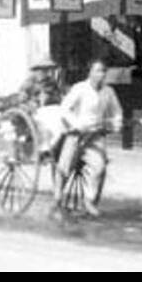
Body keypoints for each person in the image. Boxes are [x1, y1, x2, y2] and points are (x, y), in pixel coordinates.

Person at [53, 60, 123, 217]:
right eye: (97, 71)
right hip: (77, 133)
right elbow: (64, 108)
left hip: (95, 135)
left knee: (99, 167)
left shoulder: (108, 91)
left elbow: (117, 111)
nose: (101, 75)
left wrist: (115, 124)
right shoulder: (80, 89)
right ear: (90, 72)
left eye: (103, 71)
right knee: (65, 166)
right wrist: (76, 124)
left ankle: (89, 200)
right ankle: (57, 200)